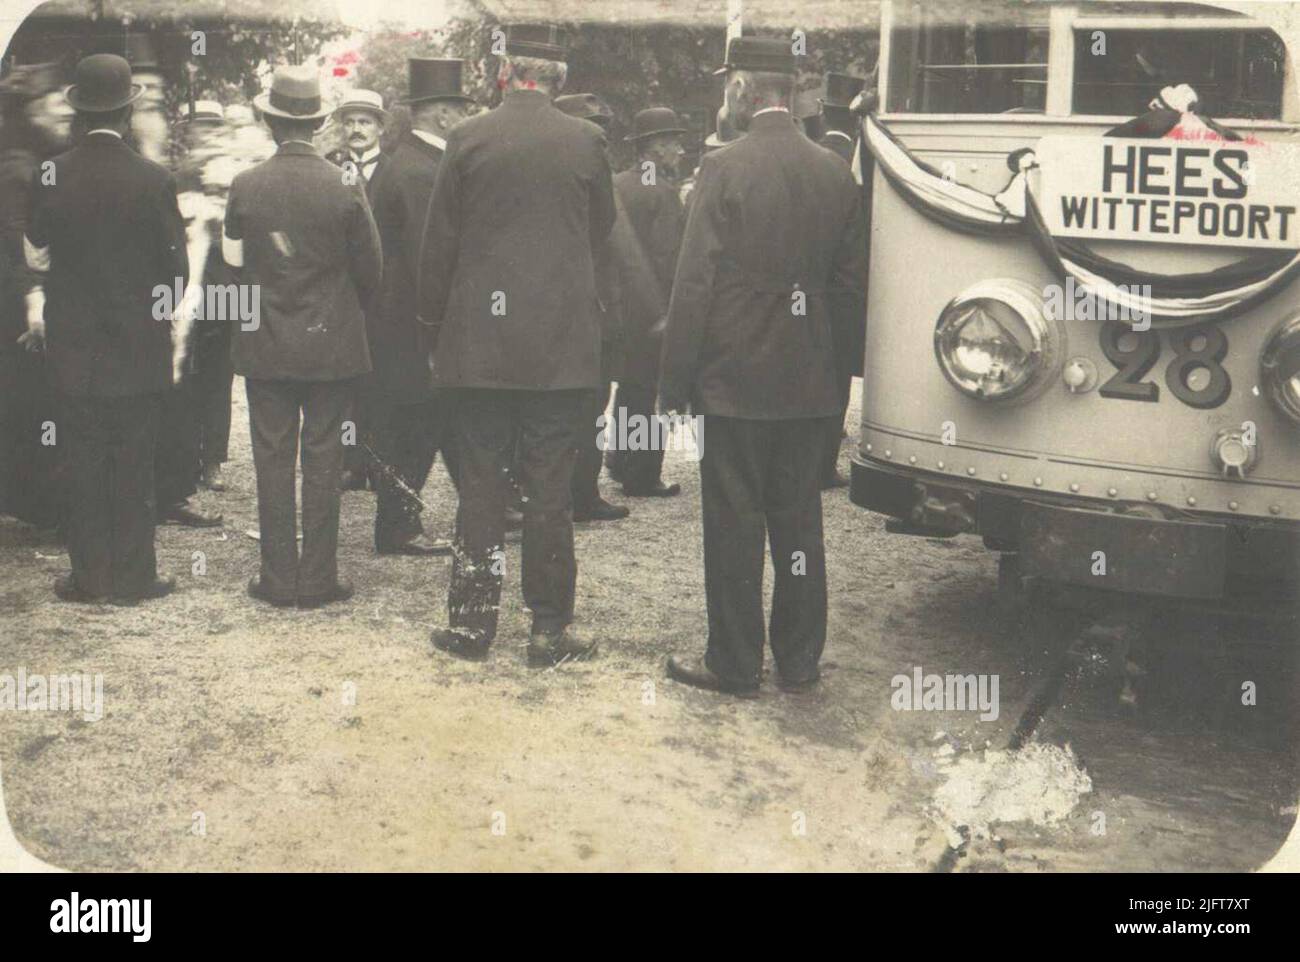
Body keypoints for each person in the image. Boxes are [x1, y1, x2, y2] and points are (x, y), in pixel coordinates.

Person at [659, 37, 867, 696]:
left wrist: (675, 383)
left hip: (736, 378)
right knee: (799, 521)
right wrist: (840, 376)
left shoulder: (724, 168)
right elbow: (851, 286)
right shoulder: (836, 171)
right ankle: (800, 662)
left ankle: (735, 662)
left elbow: (694, 284)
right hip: (810, 381)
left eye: (730, 85)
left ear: (744, 88)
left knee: (734, 522)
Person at [418, 23, 615, 665]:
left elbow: (438, 245)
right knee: (549, 493)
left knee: (479, 488)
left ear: (504, 72)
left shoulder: (466, 138)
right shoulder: (587, 141)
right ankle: (548, 631)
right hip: (560, 354)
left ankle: (473, 628)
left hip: (478, 351)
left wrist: (431, 330)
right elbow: (601, 227)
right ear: (558, 80)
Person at [24, 53, 189, 603]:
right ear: (126, 113)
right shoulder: (155, 179)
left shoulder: (52, 174)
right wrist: (156, 320)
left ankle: (88, 577)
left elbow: (37, 247)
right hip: (138, 350)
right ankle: (134, 577)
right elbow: (176, 273)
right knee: (136, 464)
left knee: (84, 463)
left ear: (78, 110)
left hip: (73, 347)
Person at [224, 65, 382, 608]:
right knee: (323, 458)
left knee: (271, 459)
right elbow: (372, 268)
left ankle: (276, 578)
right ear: (316, 125)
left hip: (265, 343)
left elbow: (235, 264)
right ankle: (317, 579)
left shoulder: (245, 185)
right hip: (330, 342)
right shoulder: (345, 183)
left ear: (269, 122)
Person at [364, 59, 473, 556]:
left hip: (397, 319)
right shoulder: (422, 171)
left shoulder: (403, 161)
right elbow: (429, 256)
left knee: (434, 419)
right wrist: (439, 326)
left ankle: (487, 501)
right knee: (414, 424)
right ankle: (398, 527)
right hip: (412, 321)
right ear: (444, 115)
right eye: (461, 109)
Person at [553, 92, 630, 523]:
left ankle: (583, 492)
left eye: (603, 124)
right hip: (566, 313)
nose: (600, 133)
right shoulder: (558, 187)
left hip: (600, 313)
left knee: (594, 407)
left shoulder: (606, 181)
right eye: (592, 124)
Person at [0, 62, 67, 533]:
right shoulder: (20, 167)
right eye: (51, 103)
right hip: (20, 304)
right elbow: (17, 234)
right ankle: (37, 500)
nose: (61, 110)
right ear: (31, 110)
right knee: (30, 400)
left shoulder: (40, 159)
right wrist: (34, 298)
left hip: (23, 298)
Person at [609, 107, 689, 500]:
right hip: (653, 309)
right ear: (655, 147)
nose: (680, 149)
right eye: (673, 141)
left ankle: (621, 458)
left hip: (618, 306)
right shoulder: (663, 193)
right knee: (648, 390)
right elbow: (667, 259)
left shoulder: (619, 184)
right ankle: (642, 473)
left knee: (629, 386)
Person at [325, 89, 389, 493]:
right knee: (346, 384)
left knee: (382, 382)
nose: (356, 130)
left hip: (385, 293)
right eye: (349, 122)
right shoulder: (329, 170)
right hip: (343, 292)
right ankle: (350, 462)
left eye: (365, 122)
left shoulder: (396, 170)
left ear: (380, 127)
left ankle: (378, 460)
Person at [177, 101, 238, 494]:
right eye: (201, 126)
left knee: (221, 372)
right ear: (187, 131)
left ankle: (213, 459)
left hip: (228, 283)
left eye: (215, 127)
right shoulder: (178, 174)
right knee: (181, 368)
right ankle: (182, 457)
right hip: (182, 284)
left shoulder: (235, 174)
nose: (208, 133)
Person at [816, 72, 868, 489]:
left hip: (810, 292)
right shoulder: (862, 164)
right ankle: (822, 464)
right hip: (847, 294)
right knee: (836, 384)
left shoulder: (814, 156)